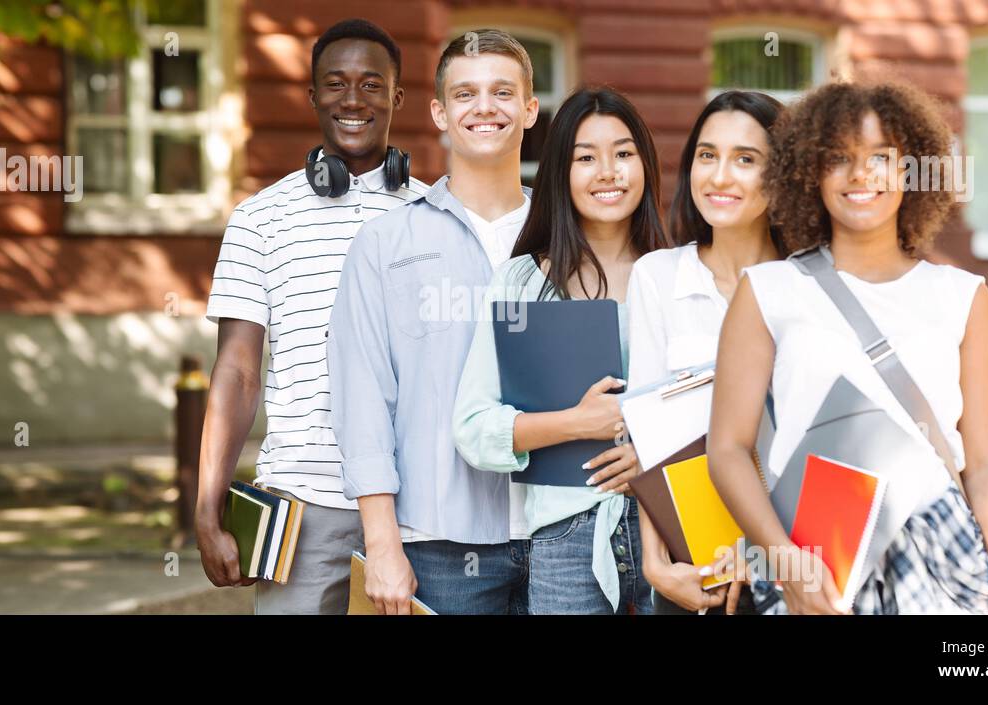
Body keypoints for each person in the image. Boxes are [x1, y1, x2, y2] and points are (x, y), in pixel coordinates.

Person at [707, 81, 988, 614]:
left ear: (913, 169)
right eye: (840, 157)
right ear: (811, 171)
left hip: (942, 565)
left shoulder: (962, 296)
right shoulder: (767, 290)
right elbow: (728, 450)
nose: (861, 174)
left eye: (881, 156)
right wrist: (783, 560)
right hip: (818, 567)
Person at [195, 18, 428, 614]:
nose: (353, 100)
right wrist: (206, 503)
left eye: (372, 85)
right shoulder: (259, 219)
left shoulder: (435, 214)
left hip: (423, 508)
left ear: (398, 98)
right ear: (313, 95)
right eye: (336, 84)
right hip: (303, 507)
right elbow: (239, 372)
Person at [327, 29, 540, 615]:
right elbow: (363, 397)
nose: (485, 108)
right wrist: (382, 543)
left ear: (529, 108)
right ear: (440, 114)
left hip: (561, 535)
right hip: (437, 546)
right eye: (465, 94)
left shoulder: (564, 238)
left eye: (502, 92)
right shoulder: (385, 243)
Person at [453, 87, 670, 614]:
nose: (608, 172)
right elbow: (474, 428)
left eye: (623, 153)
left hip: (670, 522)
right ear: (560, 173)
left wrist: (656, 450)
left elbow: (726, 410)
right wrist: (578, 422)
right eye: (585, 158)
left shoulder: (676, 272)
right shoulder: (523, 283)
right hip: (567, 540)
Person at [626, 90, 785, 615]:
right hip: (695, 561)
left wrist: (769, 553)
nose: (719, 176)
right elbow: (650, 435)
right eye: (707, 155)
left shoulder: (808, 280)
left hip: (797, 555)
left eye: (746, 159)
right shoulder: (658, 276)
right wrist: (655, 563)